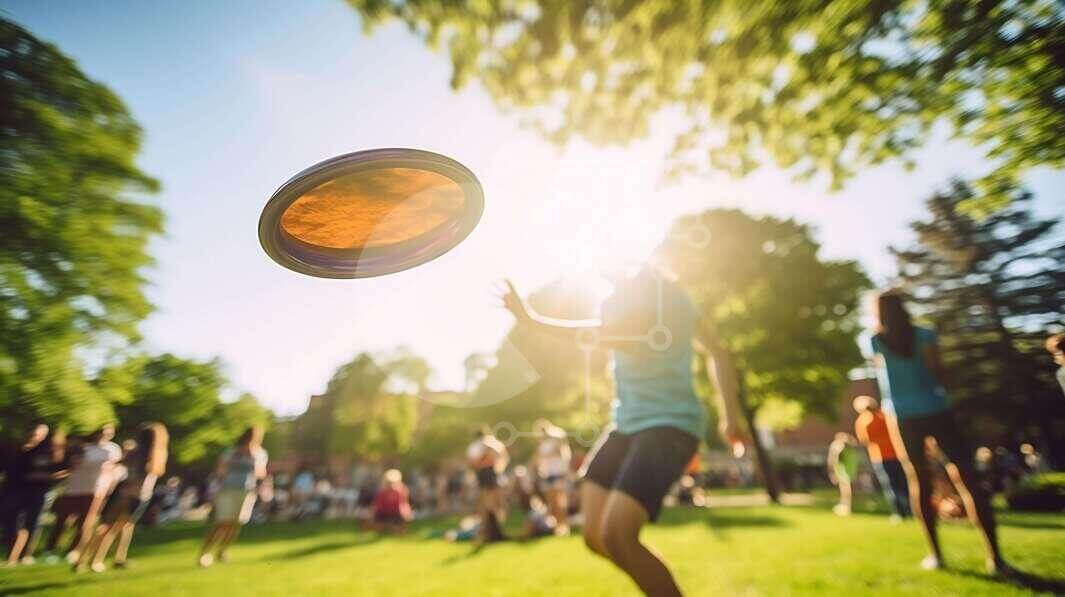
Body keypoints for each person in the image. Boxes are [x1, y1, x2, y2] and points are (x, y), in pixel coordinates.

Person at [500, 255, 743, 597]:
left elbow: (712, 349)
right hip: (625, 424)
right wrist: (730, 416)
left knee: (618, 535)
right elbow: (716, 352)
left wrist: (533, 320)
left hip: (670, 424)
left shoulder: (664, 297)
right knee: (596, 537)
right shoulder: (614, 300)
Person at [861, 290, 1011, 575]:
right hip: (938, 409)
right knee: (967, 477)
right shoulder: (924, 335)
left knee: (919, 481)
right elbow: (938, 371)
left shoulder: (873, 341)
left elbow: (878, 367)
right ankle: (996, 559)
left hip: (903, 417)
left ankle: (936, 555)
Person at [75, 423, 168, 572]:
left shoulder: (137, 453)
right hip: (137, 496)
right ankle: (93, 560)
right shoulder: (155, 455)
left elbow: (122, 466)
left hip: (127, 494)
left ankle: (90, 559)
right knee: (111, 529)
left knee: (111, 528)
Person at [45, 424, 122, 563]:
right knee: (62, 520)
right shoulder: (83, 448)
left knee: (85, 522)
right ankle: (51, 549)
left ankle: (74, 550)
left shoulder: (113, 449)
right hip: (73, 488)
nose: (104, 433)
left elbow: (115, 469)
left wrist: (111, 485)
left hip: (95, 489)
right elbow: (70, 466)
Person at [198, 426, 267, 567]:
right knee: (222, 522)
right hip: (227, 490)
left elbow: (261, 473)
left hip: (247, 491)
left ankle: (222, 550)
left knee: (236, 523)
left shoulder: (260, 453)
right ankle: (204, 553)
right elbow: (220, 469)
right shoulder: (232, 451)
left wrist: (253, 459)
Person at [2, 424, 68, 566]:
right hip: (12, 491)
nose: (34, 435)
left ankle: (23, 556)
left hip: (36, 492)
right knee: (12, 523)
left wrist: (45, 477)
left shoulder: (46, 452)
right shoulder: (14, 450)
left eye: (38, 434)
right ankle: (12, 555)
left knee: (31, 524)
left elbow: (62, 470)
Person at [853, 395, 911, 520]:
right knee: (903, 483)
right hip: (896, 454)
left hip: (880, 457)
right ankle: (910, 510)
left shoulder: (862, 422)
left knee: (891, 485)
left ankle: (899, 513)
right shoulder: (885, 415)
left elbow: (864, 441)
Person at [466, 428, 509, 543]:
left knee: (495, 501)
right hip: (484, 473)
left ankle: (495, 528)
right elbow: (474, 462)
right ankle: (487, 530)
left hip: (491, 472)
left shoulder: (490, 444)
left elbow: (501, 455)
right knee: (487, 502)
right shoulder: (476, 447)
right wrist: (485, 453)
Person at [531, 419, 572, 535]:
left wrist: (546, 456)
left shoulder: (556, 440)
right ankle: (556, 526)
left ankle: (564, 525)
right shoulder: (542, 444)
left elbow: (561, 452)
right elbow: (537, 459)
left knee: (560, 500)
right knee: (552, 502)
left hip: (558, 473)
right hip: (547, 474)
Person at [827, 433, 859, 516]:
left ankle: (846, 507)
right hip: (844, 470)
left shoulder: (845, 447)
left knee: (846, 489)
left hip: (845, 470)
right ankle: (845, 505)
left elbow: (833, 458)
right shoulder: (844, 446)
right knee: (845, 488)